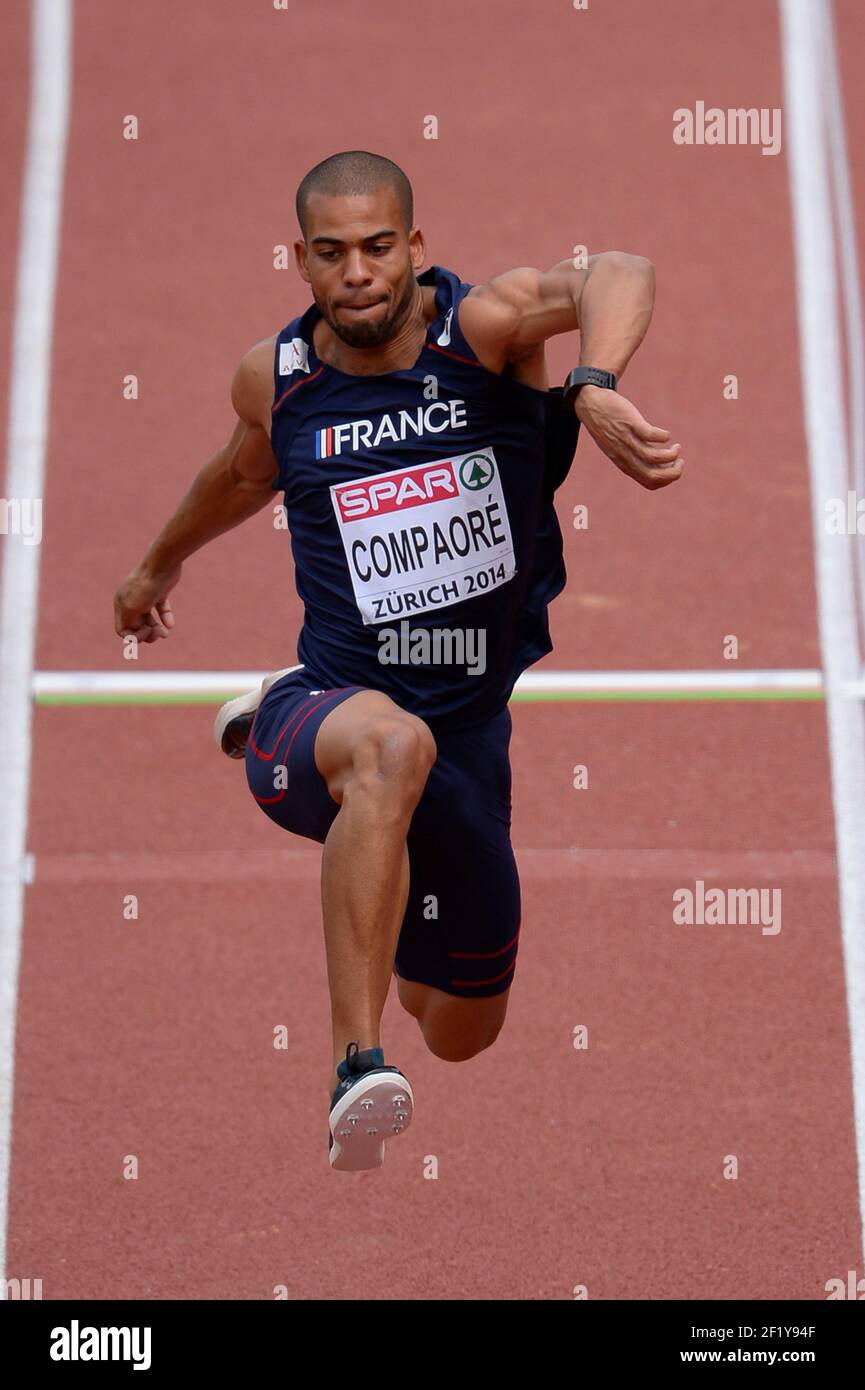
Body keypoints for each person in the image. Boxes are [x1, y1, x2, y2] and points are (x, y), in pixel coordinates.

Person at [113, 150, 682, 1172]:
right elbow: (240, 475)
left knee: (462, 1028)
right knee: (387, 743)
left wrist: (591, 384)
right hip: (339, 704)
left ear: (415, 248)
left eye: (379, 247)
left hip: (469, 731)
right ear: (300, 261)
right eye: (330, 254)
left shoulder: (487, 332)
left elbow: (620, 267)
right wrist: (156, 565)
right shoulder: (277, 381)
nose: (358, 272)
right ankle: (353, 1066)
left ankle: (397, 966)